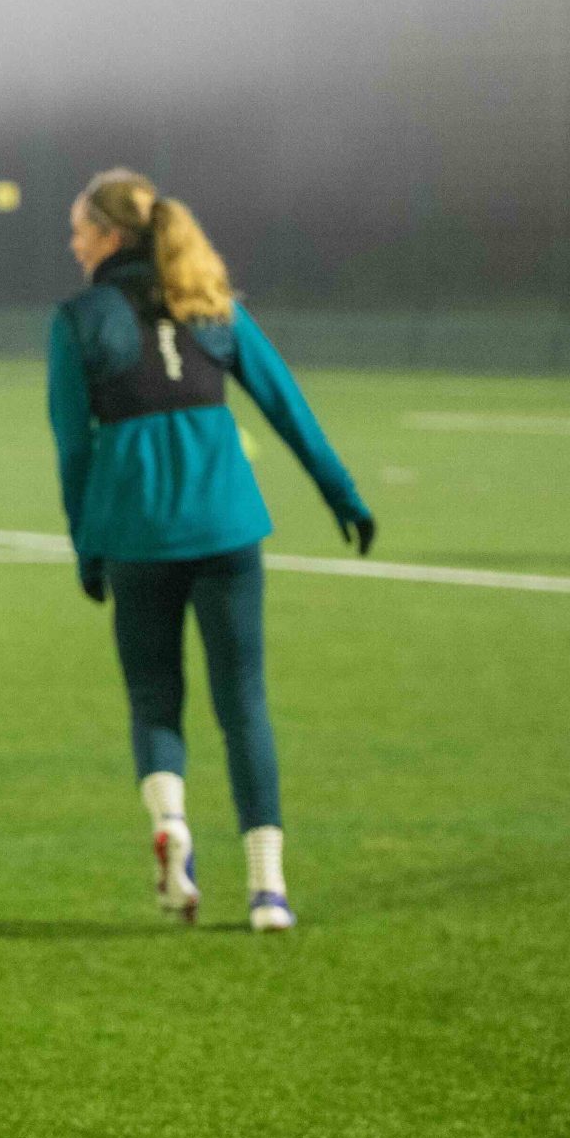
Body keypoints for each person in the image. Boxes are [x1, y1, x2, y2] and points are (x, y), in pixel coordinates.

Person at [46, 169, 373, 933]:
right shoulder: (209, 299)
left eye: (81, 230)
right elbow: (287, 406)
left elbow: (73, 452)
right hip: (227, 528)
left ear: (112, 237)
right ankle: (268, 889)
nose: (73, 242)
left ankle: (174, 828)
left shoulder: (77, 319)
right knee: (244, 703)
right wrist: (343, 495)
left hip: (135, 532)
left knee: (156, 699)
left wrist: (86, 546)